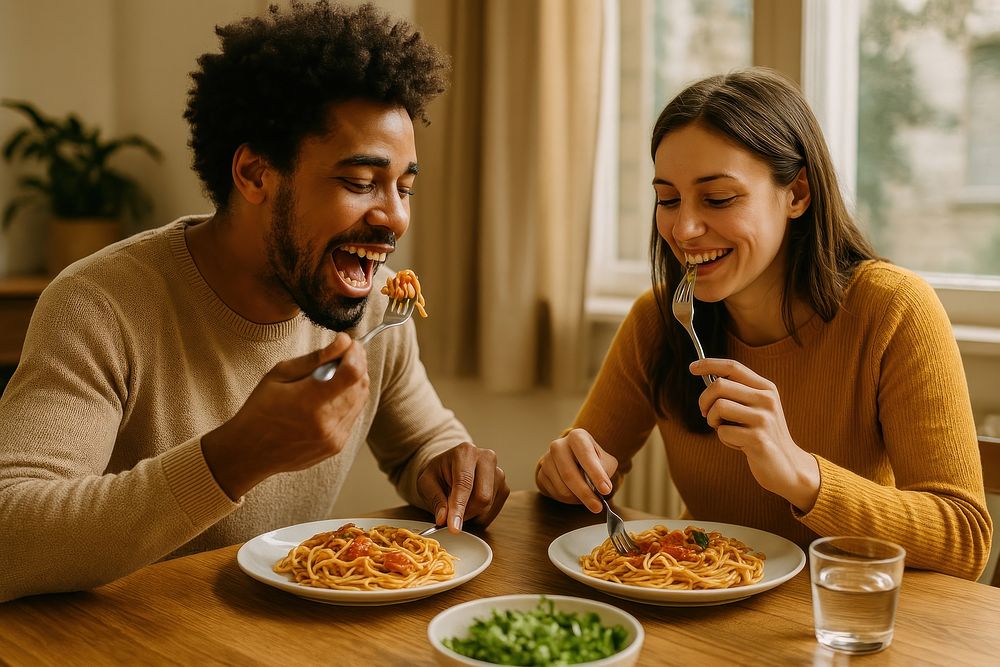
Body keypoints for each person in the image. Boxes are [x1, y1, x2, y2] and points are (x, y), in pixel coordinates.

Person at [0, 1, 508, 603]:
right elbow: (11, 533)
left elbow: (422, 442)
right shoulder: (101, 305)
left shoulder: (374, 305)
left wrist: (451, 470)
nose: (394, 217)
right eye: (360, 182)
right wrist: (233, 458)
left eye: (405, 187)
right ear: (254, 173)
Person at [535, 67, 992, 580]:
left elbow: (964, 541)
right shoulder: (659, 320)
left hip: (841, 617)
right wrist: (564, 474)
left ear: (796, 194)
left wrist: (800, 473)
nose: (683, 227)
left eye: (719, 198)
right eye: (667, 199)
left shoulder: (893, 310)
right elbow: (578, 477)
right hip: (698, 608)